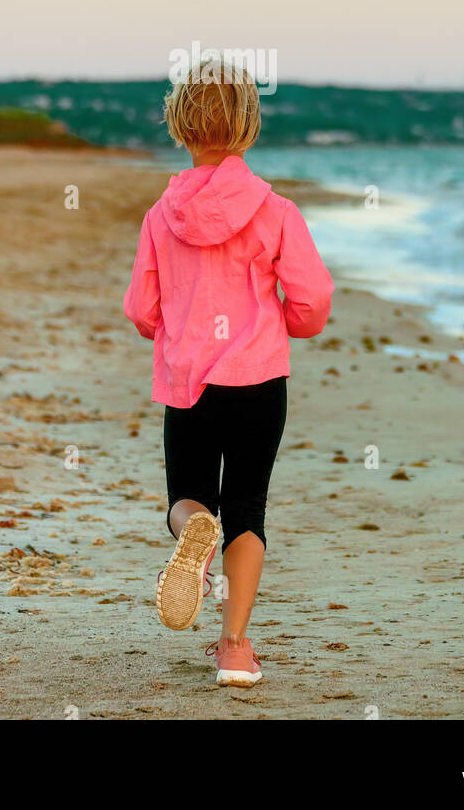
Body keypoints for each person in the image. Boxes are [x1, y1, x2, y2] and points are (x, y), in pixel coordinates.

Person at [124, 58, 333, 686]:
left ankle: (194, 529)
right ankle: (236, 648)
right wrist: (287, 324)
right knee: (249, 506)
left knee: (187, 496)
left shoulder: (162, 215)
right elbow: (312, 299)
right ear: (249, 127)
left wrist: (171, 327)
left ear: (179, 127)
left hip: (189, 381)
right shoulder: (275, 210)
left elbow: (141, 308)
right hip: (259, 380)